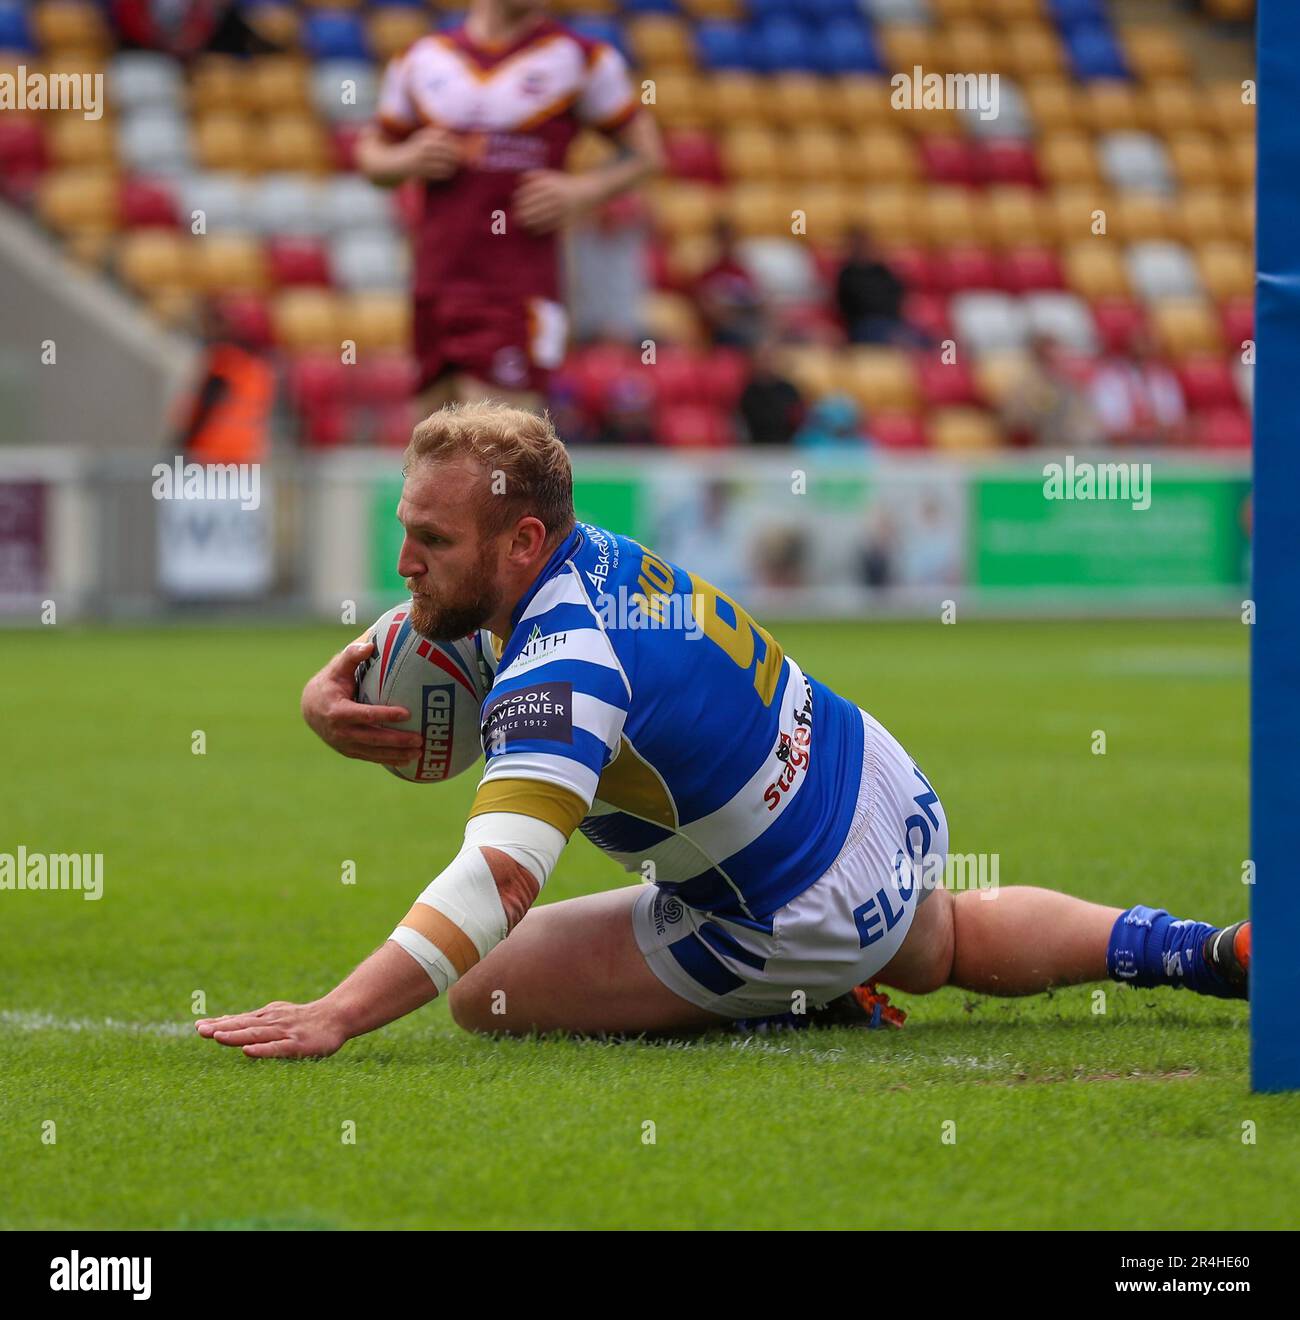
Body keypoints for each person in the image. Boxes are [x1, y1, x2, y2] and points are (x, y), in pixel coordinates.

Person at [197, 402, 1250, 1056]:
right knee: (940, 936)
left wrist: (335, 1011)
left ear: (520, 541)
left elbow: (501, 881)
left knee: (486, 989)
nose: (404, 565)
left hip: (789, 905)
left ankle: (801, 995)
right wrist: (316, 697)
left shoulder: (566, 661)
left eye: (430, 539)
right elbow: (442, 621)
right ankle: (1200, 951)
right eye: (404, 533)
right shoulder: (587, 551)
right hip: (871, 781)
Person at [354, 0, 664, 414]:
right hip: (435, 285)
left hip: (519, 289)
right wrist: (407, 159)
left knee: (501, 445)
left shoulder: (581, 59)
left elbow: (647, 155)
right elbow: (371, 156)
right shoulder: (422, 59)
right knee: (429, 448)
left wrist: (583, 191)